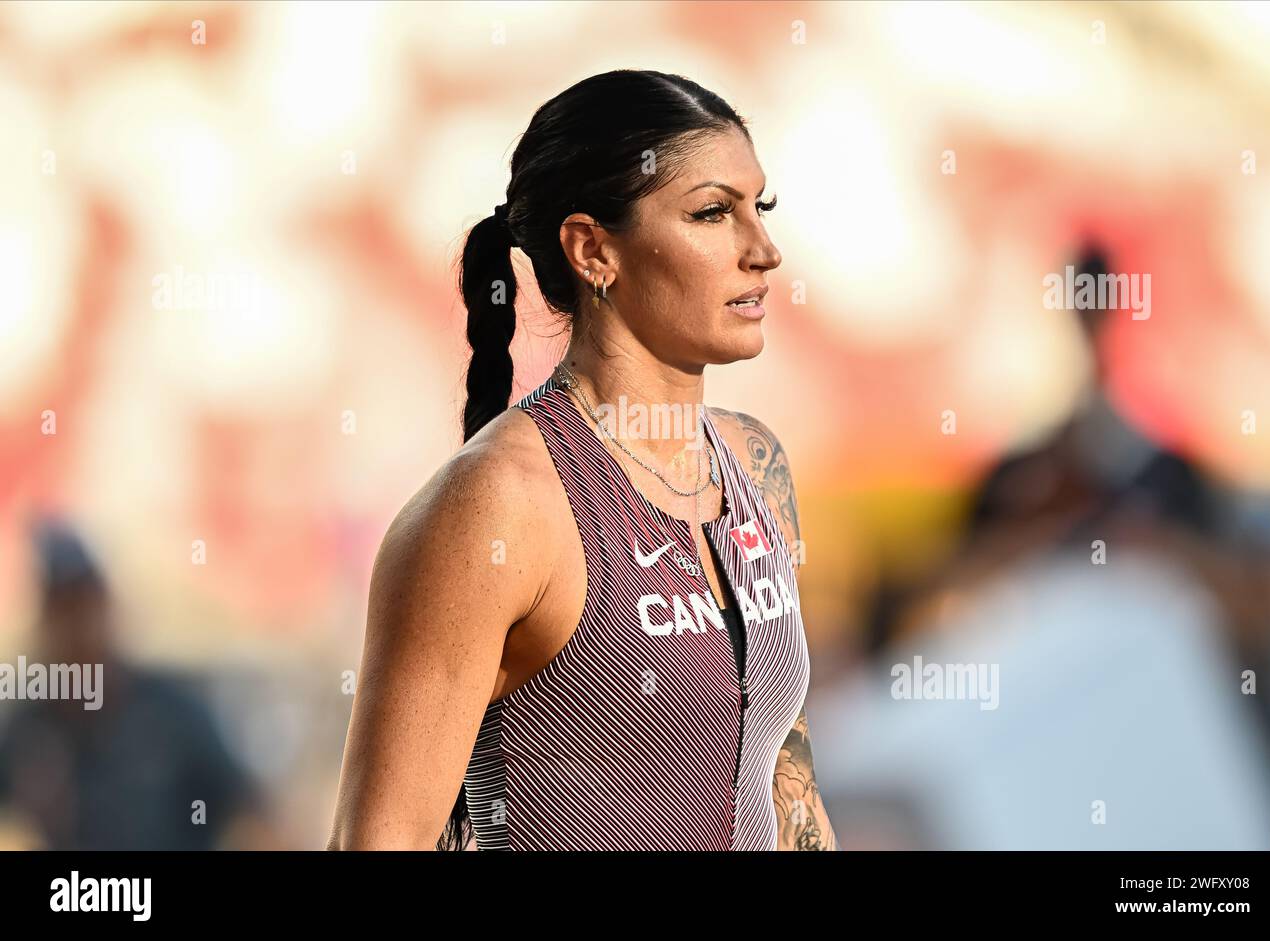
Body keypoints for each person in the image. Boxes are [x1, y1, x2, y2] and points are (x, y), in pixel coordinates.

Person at [329, 69, 837, 850]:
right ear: (593, 248)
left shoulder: (753, 460)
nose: (763, 251)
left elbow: (788, 784)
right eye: (712, 213)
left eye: (758, 208)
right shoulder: (499, 503)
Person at [0, 518, 264, 849]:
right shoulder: (29, 726)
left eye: (84, 607)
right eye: (61, 611)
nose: (75, 630)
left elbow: (251, 815)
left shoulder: (172, 713)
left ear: (106, 607)